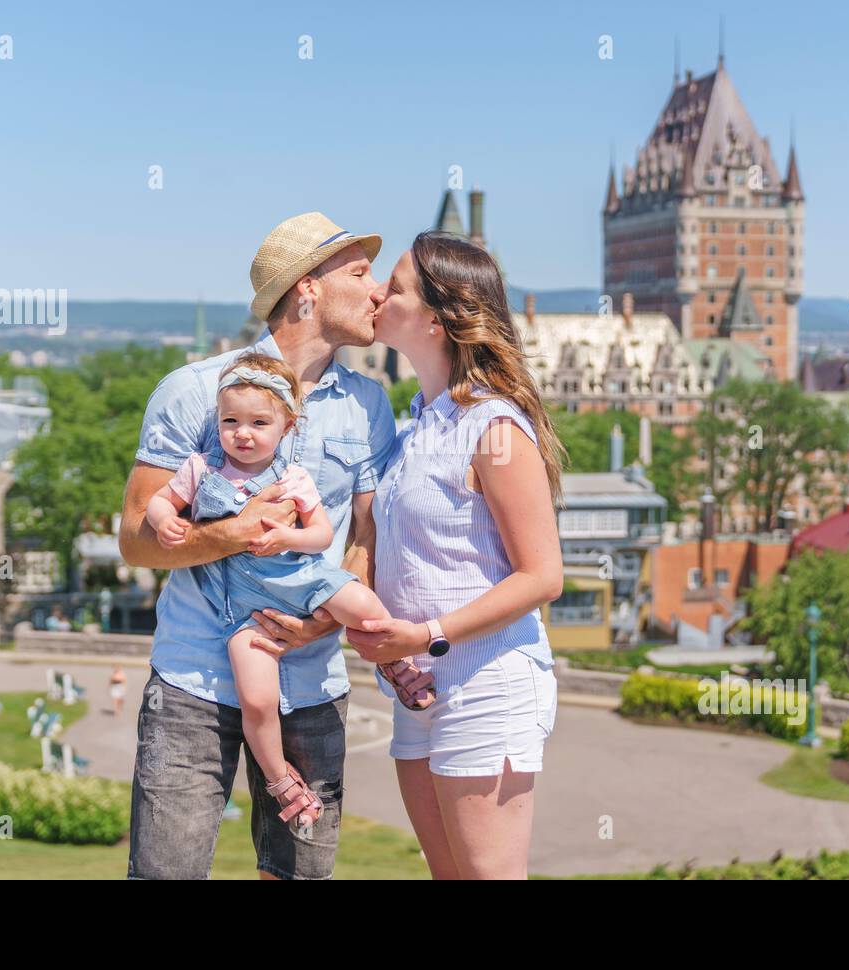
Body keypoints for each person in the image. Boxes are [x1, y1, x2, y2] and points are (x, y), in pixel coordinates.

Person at [119, 212, 434, 880]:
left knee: (298, 876)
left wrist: (318, 621)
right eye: (359, 273)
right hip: (193, 680)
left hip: (313, 682)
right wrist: (238, 530)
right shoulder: (193, 392)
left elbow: (367, 536)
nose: (377, 291)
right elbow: (135, 541)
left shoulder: (369, 405)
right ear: (306, 290)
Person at [347, 230, 565, 879]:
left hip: (488, 684)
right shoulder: (416, 424)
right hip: (420, 692)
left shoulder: (493, 426)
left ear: (439, 320)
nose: (379, 293)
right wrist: (390, 651)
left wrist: (427, 634)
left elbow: (542, 575)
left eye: (398, 286)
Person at [144, 352, 431, 831]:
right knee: (256, 698)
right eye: (230, 421)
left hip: (303, 582)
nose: (243, 433)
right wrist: (165, 520)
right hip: (242, 610)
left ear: (287, 427)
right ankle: (280, 780)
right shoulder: (200, 469)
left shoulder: (293, 478)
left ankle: (390, 657)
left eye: (259, 422)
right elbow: (156, 501)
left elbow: (320, 535)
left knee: (363, 604)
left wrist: (285, 538)